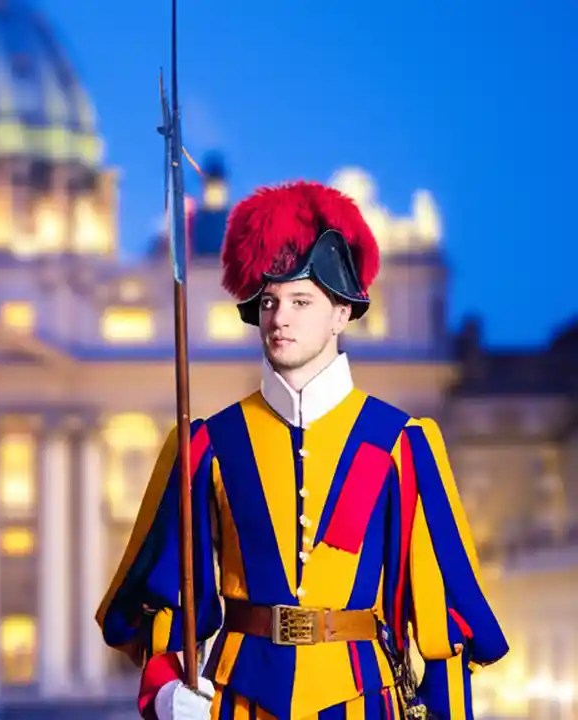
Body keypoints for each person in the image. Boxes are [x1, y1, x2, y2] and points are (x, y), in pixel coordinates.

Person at [96, 181, 507, 719]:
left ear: (342, 313)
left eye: (300, 301)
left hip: (363, 701)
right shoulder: (206, 445)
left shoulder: (401, 445)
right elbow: (166, 599)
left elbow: (442, 625)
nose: (279, 317)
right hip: (238, 701)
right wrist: (170, 689)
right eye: (268, 301)